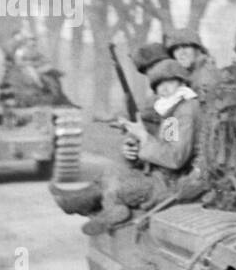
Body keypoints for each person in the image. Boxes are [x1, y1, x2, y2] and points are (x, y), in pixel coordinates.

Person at [83, 60, 202, 234]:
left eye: (169, 82)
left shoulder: (185, 110)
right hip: (170, 177)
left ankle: (114, 214)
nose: (164, 89)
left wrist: (144, 137)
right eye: (159, 86)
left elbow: (174, 159)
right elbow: (167, 147)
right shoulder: (174, 110)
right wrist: (137, 150)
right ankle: (94, 206)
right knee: (111, 174)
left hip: (179, 183)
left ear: (182, 82)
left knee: (117, 190)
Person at [164, 27, 221, 99]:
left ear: (198, 49)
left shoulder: (206, 73)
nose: (181, 53)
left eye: (185, 46)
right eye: (176, 49)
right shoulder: (188, 75)